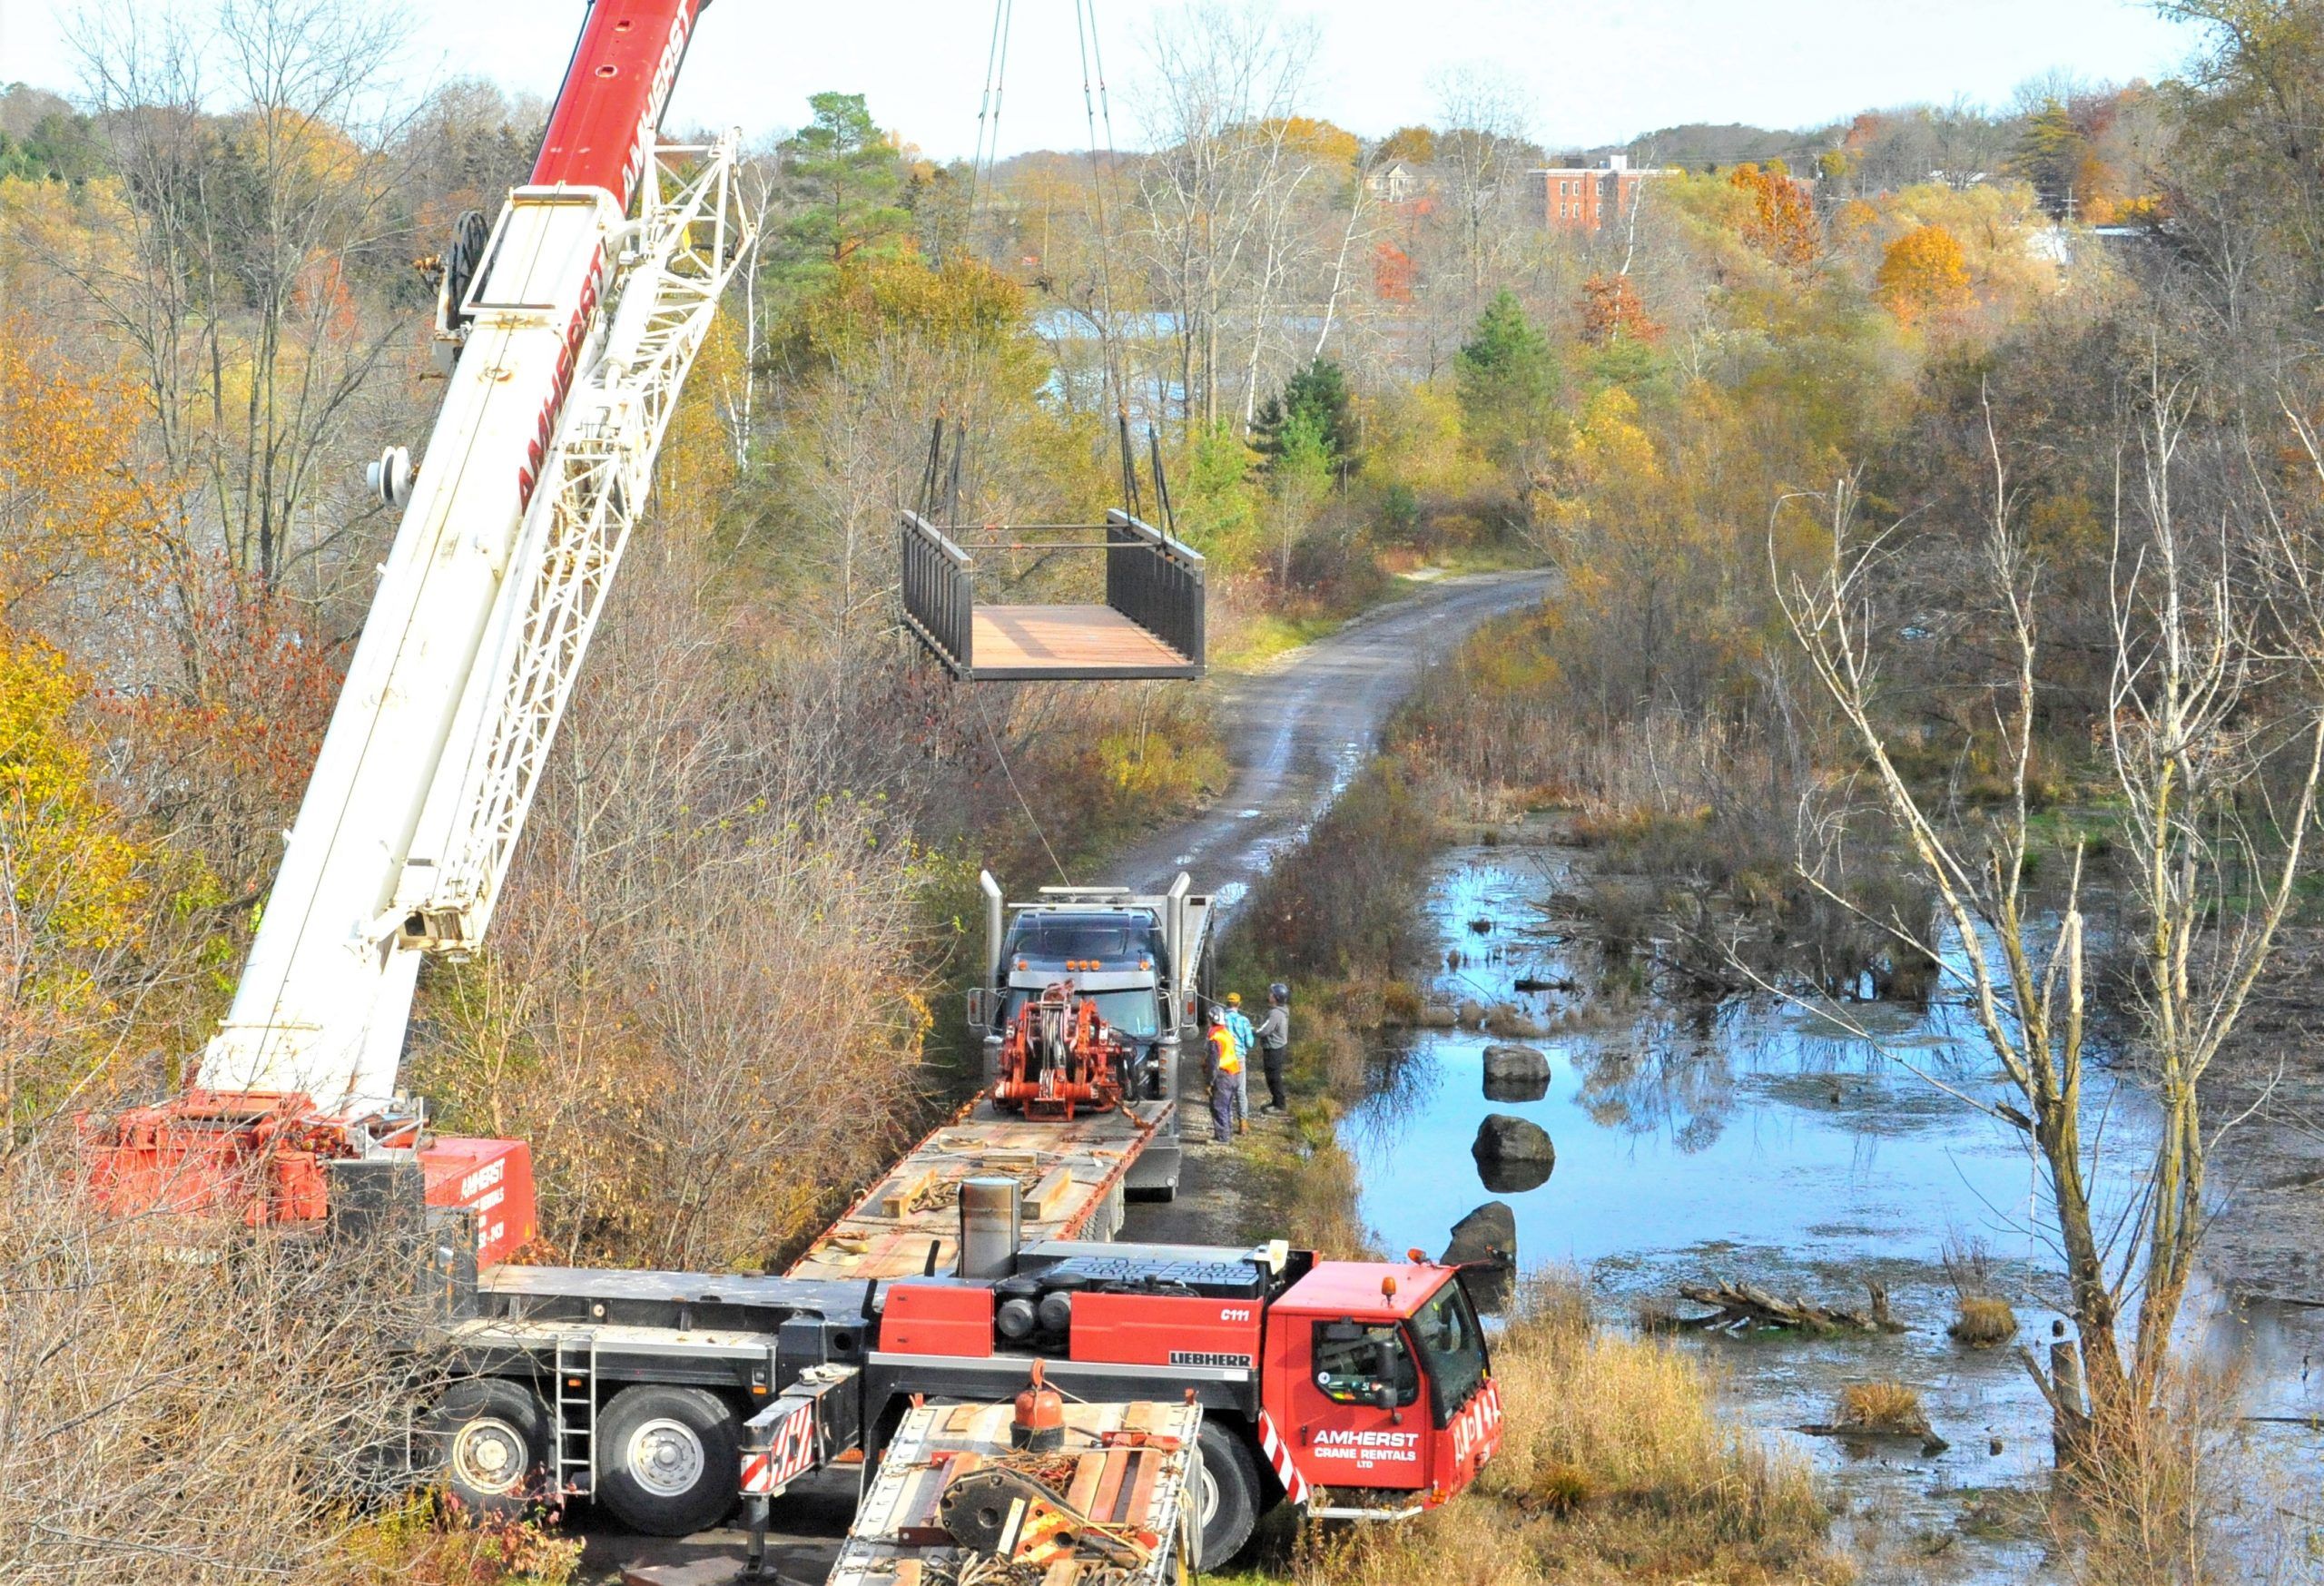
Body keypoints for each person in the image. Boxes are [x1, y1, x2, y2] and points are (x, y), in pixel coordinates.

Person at [1204, 1009, 1241, 1144]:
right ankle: (1226, 1133)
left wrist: (1209, 1082)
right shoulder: (1226, 1034)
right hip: (1233, 1074)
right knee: (1226, 1106)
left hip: (1223, 1076)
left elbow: (1213, 1063)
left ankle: (1222, 1138)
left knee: (1218, 1106)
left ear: (1211, 1020)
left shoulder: (1215, 1038)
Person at [1223, 993, 1256, 1134]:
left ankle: (1227, 1123)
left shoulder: (1222, 1018)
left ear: (1226, 1002)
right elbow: (1250, 1043)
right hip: (1240, 1057)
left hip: (1225, 1058)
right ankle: (1243, 1123)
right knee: (1241, 1090)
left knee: (1226, 1090)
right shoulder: (1244, 1020)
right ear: (1239, 1004)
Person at [1256, 982, 1290, 1112]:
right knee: (1273, 1076)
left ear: (1276, 998)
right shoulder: (1280, 1011)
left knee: (1273, 1078)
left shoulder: (1275, 1014)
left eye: (1272, 994)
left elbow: (1263, 1031)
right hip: (1277, 1048)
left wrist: (1251, 1030)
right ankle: (1276, 1101)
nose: (1269, 995)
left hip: (1273, 1049)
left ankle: (1279, 1105)